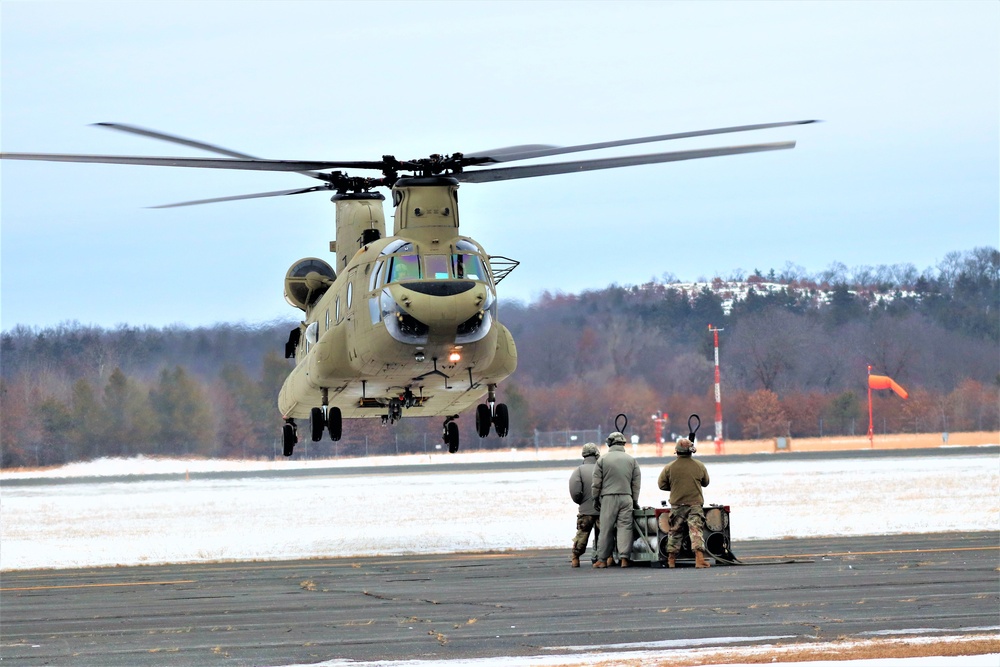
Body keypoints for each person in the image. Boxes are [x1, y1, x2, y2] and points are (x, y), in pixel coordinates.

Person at [657, 437, 712, 568]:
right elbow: (706, 482)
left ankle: (671, 561)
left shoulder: (669, 467)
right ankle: (699, 560)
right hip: (694, 505)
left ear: (677, 451)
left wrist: (675, 486)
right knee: (696, 531)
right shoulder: (699, 465)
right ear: (691, 451)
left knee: (674, 532)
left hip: (677, 505)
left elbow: (661, 485)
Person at [591, 431, 641, 568]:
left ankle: (602, 560)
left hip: (608, 498)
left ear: (610, 443)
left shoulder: (602, 460)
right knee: (625, 527)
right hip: (627, 497)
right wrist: (634, 501)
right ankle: (624, 558)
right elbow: (636, 484)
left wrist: (596, 498)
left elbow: (596, 483)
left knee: (606, 529)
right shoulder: (632, 460)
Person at [568, 442, 601, 568]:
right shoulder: (602, 468)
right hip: (602, 510)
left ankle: (575, 558)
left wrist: (581, 502)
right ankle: (606, 558)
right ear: (596, 453)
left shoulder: (579, 471)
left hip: (585, 510)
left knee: (582, 535)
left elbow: (575, 491)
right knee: (604, 535)